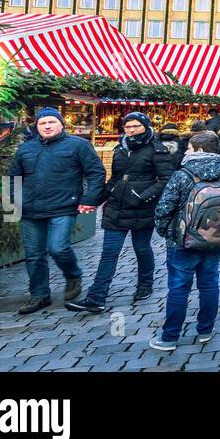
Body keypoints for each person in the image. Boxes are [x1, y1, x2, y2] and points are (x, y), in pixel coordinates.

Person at [66, 112, 174, 314]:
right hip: (116, 207)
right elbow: (115, 178)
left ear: (145, 126)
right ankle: (96, 297)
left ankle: (145, 283)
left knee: (141, 248)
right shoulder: (120, 148)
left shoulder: (157, 149)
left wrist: (142, 196)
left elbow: (166, 179)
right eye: (127, 127)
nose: (131, 130)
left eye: (136, 126)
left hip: (141, 208)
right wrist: (95, 200)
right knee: (109, 253)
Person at [9, 107, 106, 315]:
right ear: (36, 127)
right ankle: (39, 295)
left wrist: (90, 199)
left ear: (61, 124)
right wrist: (15, 201)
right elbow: (14, 178)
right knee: (34, 255)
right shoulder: (26, 149)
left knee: (58, 248)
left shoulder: (78, 145)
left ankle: (73, 275)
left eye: (51, 122)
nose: (46, 126)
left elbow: (96, 172)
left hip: (63, 207)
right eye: (42, 123)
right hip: (30, 210)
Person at [150, 131, 220, 351]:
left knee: (178, 288)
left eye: (188, 147)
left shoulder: (182, 175)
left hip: (182, 240)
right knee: (209, 284)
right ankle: (205, 329)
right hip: (215, 237)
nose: (185, 151)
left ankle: (170, 337)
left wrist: (166, 232)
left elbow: (164, 208)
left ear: (198, 150)